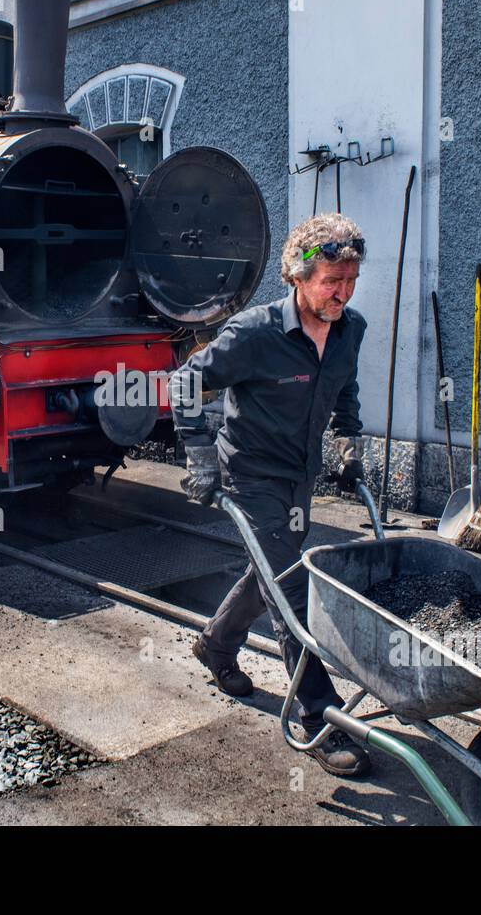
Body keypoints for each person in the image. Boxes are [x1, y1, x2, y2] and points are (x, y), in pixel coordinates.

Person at [170, 213, 370, 777]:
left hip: (299, 474)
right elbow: (183, 381)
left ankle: (215, 645)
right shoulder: (254, 334)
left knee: (270, 574)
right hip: (250, 473)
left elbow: (345, 384)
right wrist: (201, 456)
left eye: (350, 280)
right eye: (332, 281)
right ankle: (319, 715)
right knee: (291, 590)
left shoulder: (350, 328)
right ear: (298, 277)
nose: (343, 292)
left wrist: (348, 444)